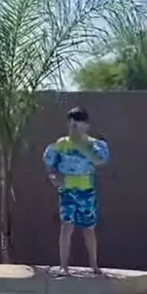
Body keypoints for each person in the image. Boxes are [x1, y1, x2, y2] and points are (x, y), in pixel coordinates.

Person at [43, 107, 110, 274]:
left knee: (88, 228)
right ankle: (63, 266)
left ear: (86, 125)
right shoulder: (60, 144)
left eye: (78, 124)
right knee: (66, 227)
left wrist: (79, 146)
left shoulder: (94, 144)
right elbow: (49, 163)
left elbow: (99, 161)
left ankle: (94, 265)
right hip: (67, 190)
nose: (74, 127)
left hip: (86, 190)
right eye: (71, 124)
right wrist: (53, 177)